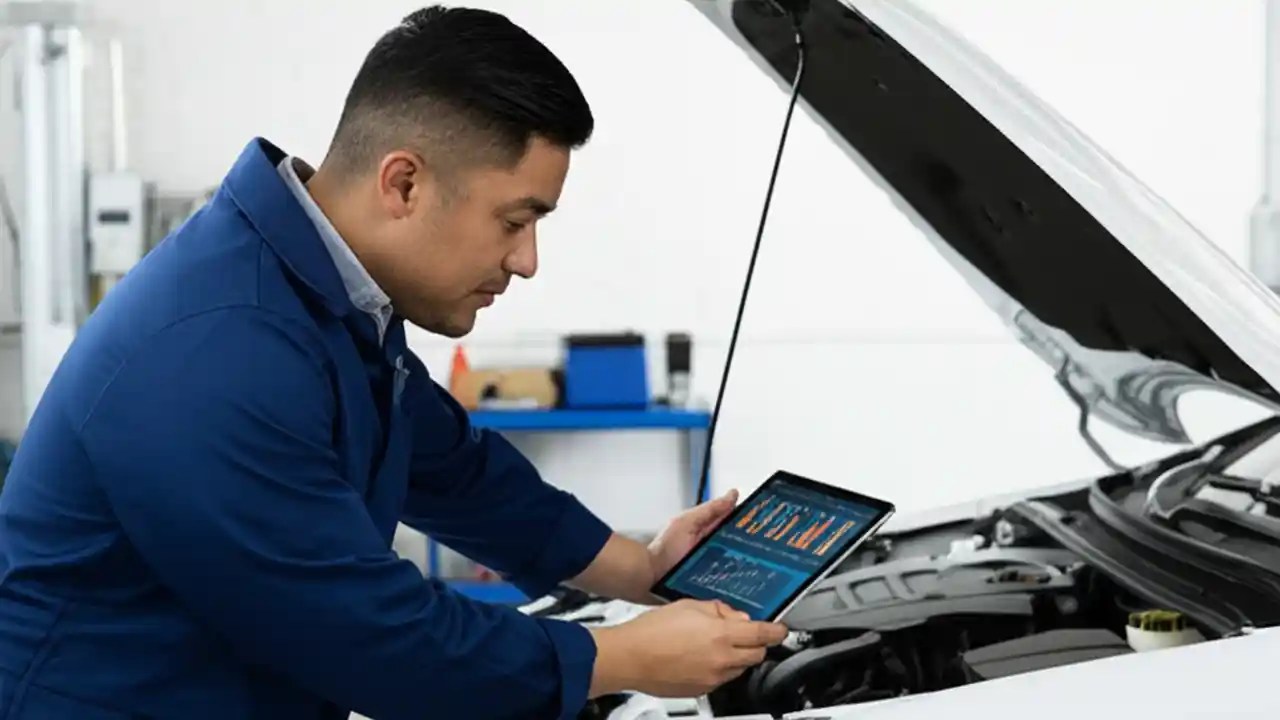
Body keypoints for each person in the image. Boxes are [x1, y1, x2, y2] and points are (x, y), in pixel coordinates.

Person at [0, 5, 789, 720]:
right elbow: (367, 635)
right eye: (514, 221)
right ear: (404, 183)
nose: (527, 261)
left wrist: (645, 568)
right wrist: (623, 658)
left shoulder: (325, 292)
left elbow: (456, 473)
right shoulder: (220, 348)